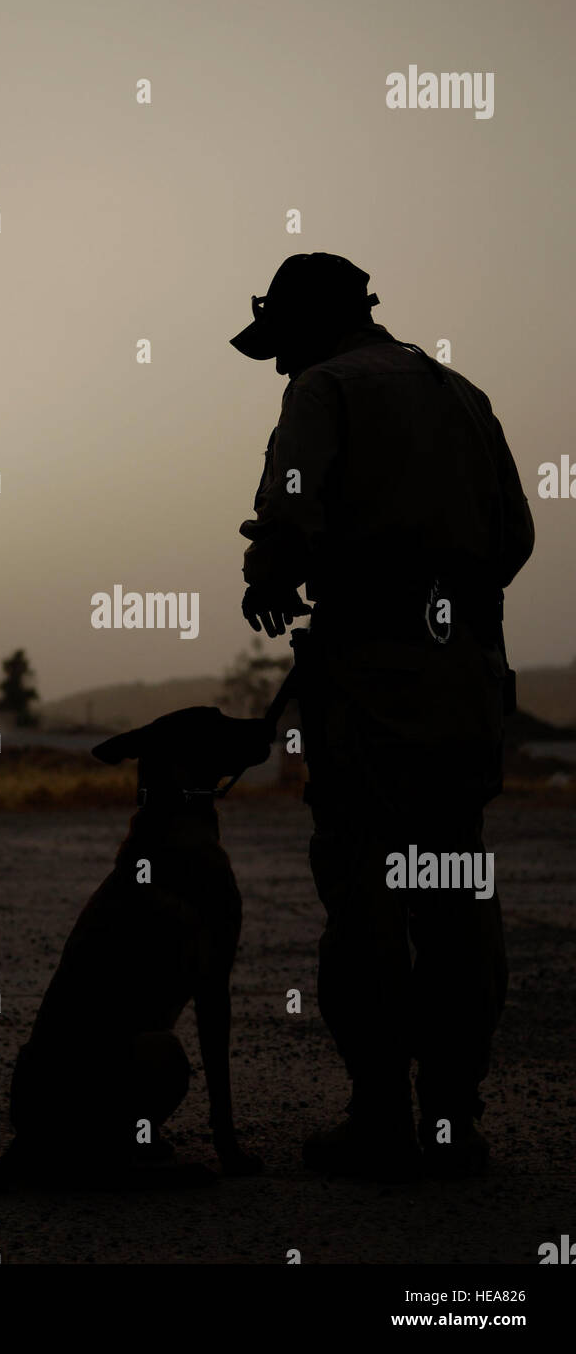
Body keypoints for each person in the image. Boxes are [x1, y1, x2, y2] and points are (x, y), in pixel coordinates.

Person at [231, 253, 534, 1179]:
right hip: (466, 684)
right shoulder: (460, 391)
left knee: (364, 892)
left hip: (372, 684)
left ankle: (379, 1120)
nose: (279, 369)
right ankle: (452, 1123)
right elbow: (514, 537)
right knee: (452, 893)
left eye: (281, 348)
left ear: (310, 328)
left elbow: (288, 513)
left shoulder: (324, 389)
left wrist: (273, 577)